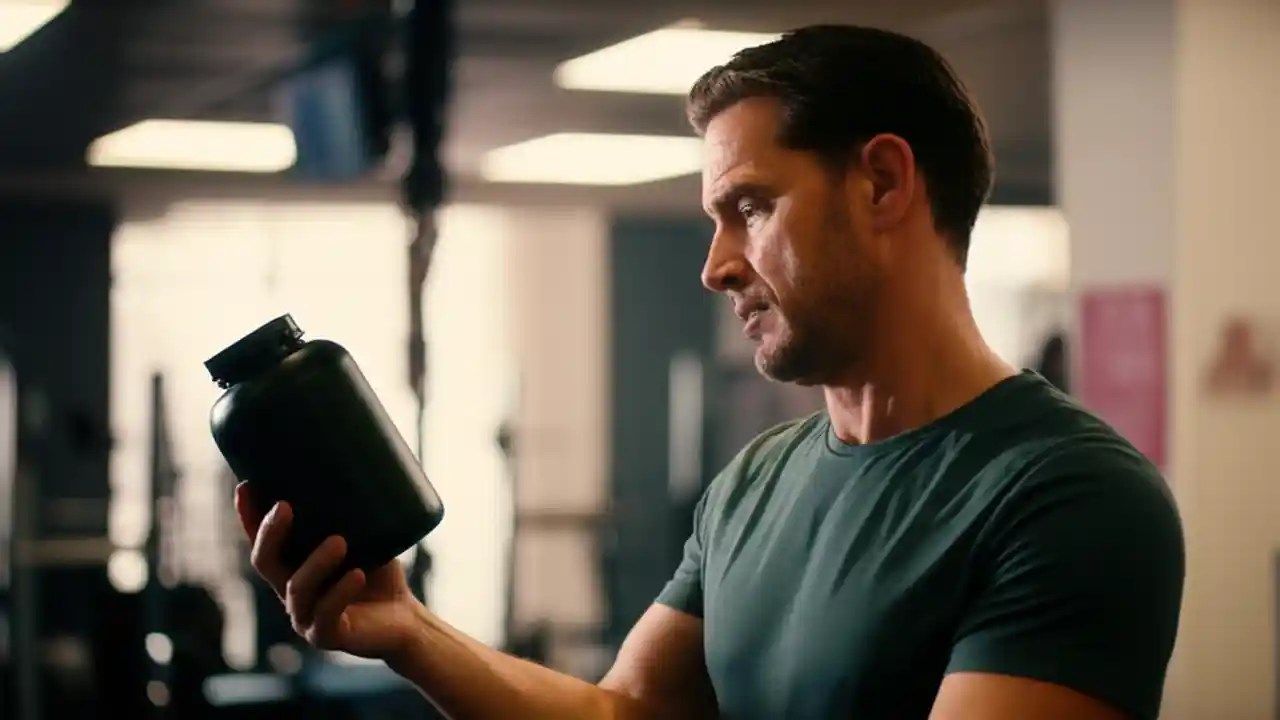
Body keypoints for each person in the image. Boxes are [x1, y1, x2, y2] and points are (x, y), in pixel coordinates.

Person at [235, 25, 1183, 720]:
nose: (716, 263)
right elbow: (627, 715)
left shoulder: (1069, 497)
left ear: (885, 183)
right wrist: (409, 632)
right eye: (715, 220)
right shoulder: (757, 483)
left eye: (752, 207)